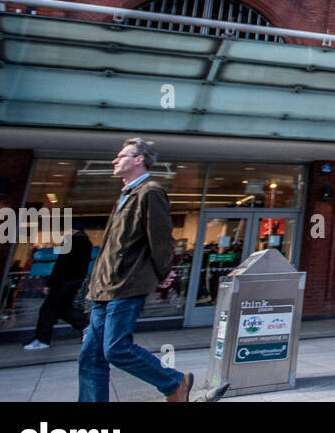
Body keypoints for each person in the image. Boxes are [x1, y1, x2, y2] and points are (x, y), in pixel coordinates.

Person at [80, 139, 223, 402]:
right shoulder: (125, 195)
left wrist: (162, 273)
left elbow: (161, 239)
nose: (114, 160)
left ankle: (174, 381)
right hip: (103, 287)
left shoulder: (150, 192)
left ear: (138, 160)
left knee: (116, 349)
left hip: (126, 284)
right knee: (90, 358)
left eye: (121, 155)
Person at [25, 223, 92, 350]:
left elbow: (61, 264)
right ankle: (85, 325)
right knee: (62, 308)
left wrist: (50, 283)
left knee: (48, 309)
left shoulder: (71, 242)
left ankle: (42, 339)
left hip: (63, 281)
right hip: (75, 280)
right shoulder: (86, 243)